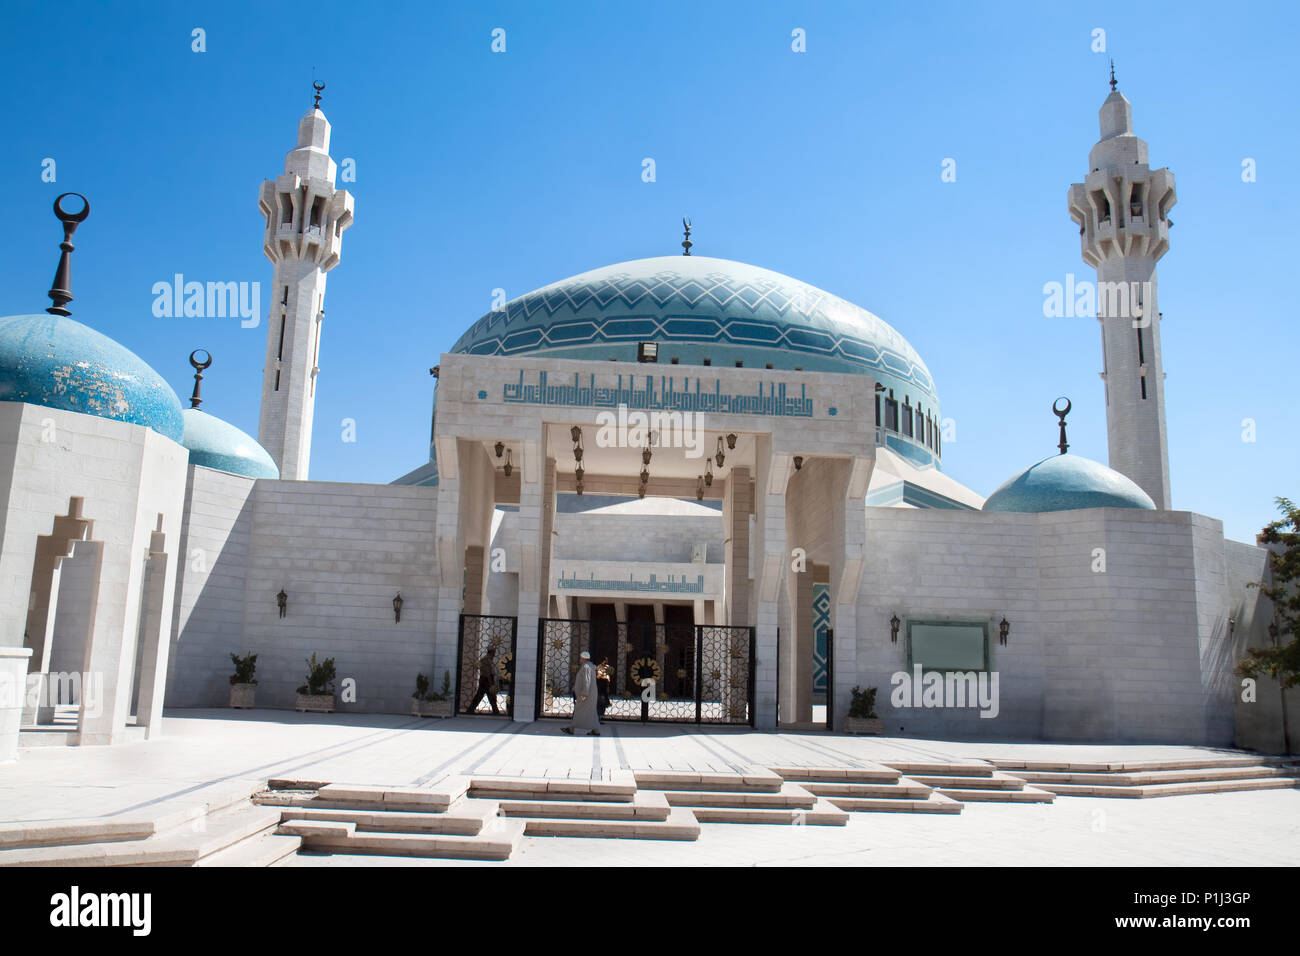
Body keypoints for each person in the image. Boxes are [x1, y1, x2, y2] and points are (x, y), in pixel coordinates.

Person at [562, 650, 601, 736]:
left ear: (583, 658)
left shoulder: (586, 667)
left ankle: (571, 728)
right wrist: (575, 688)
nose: (580, 659)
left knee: (578, 711)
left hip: (586, 695)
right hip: (591, 694)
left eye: (581, 658)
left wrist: (584, 694)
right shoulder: (589, 666)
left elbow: (587, 681)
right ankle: (596, 730)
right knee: (592, 712)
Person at [466, 646, 500, 715]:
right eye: (494, 652)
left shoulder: (489, 659)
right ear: (491, 652)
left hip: (487, 679)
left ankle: (471, 709)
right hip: (486, 680)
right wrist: (490, 682)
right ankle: (495, 711)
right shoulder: (486, 659)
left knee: (485, 695)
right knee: (488, 695)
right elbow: (486, 672)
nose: (495, 654)